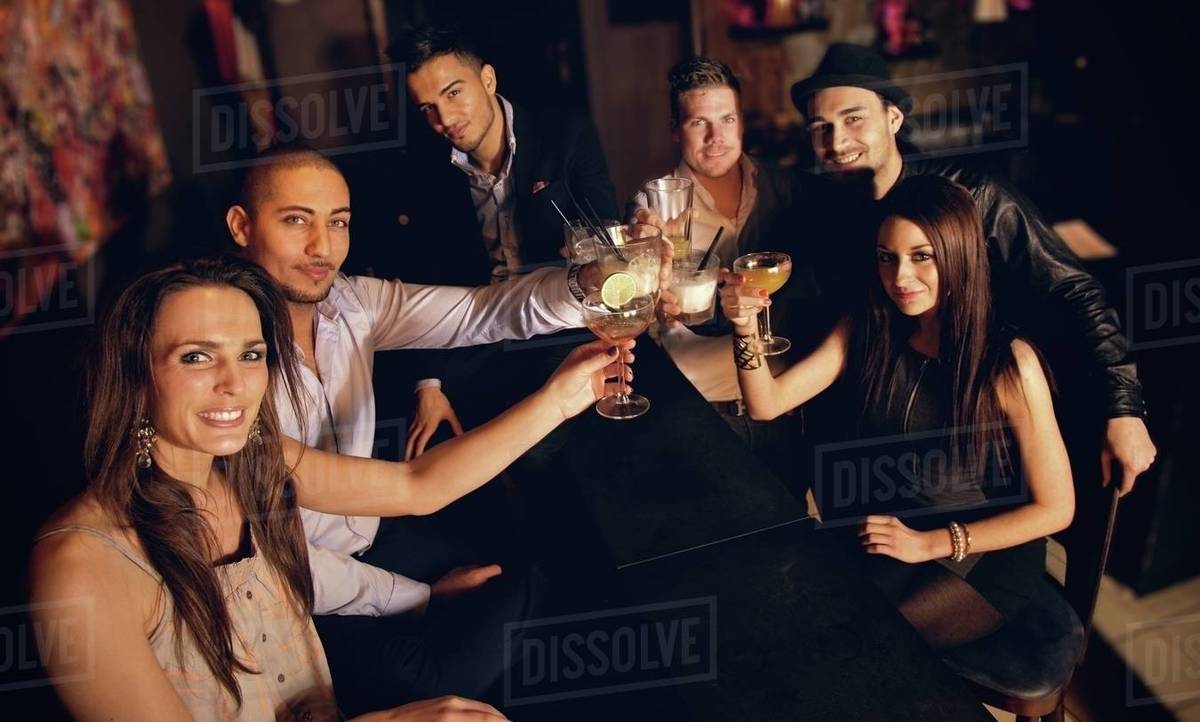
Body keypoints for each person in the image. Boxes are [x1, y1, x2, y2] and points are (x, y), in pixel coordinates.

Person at [28, 255, 630, 720]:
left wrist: (561, 399)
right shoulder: (82, 564)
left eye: (252, 354)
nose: (235, 385)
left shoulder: (247, 464)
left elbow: (419, 485)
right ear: (133, 372)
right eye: (196, 358)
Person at [224, 146, 645, 714]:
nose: (322, 246)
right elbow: (288, 559)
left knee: (538, 573)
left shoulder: (352, 300)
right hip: (299, 592)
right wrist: (416, 597)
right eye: (296, 220)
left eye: (338, 222)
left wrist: (588, 284)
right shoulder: (225, 371)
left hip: (377, 536)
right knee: (435, 681)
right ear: (242, 226)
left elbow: (481, 314)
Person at [721, 175, 1075, 648]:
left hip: (983, 549)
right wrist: (744, 328)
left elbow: (1057, 509)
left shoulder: (1008, 363)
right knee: (787, 611)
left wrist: (930, 543)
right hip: (898, 530)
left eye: (921, 256)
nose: (900, 278)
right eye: (887, 258)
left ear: (959, 254)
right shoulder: (868, 327)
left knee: (853, 644)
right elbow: (767, 405)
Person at [790, 42, 1155, 496]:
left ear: (894, 119)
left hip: (988, 432)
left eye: (853, 119)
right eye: (820, 127)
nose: (837, 142)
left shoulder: (974, 196)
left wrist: (1124, 408)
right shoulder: (835, 212)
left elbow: (1074, 290)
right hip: (897, 436)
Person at [381, 20, 621, 455]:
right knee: (433, 446)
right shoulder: (422, 173)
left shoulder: (566, 135)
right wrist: (428, 383)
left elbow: (607, 240)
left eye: (454, 93)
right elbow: (424, 278)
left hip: (564, 326)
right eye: (426, 108)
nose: (444, 120)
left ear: (487, 79)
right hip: (479, 339)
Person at [627, 57, 828, 473]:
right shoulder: (653, 207)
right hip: (708, 418)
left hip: (788, 410)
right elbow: (640, 308)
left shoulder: (786, 187)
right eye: (698, 123)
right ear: (674, 129)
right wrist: (651, 290)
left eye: (727, 119)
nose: (716, 137)